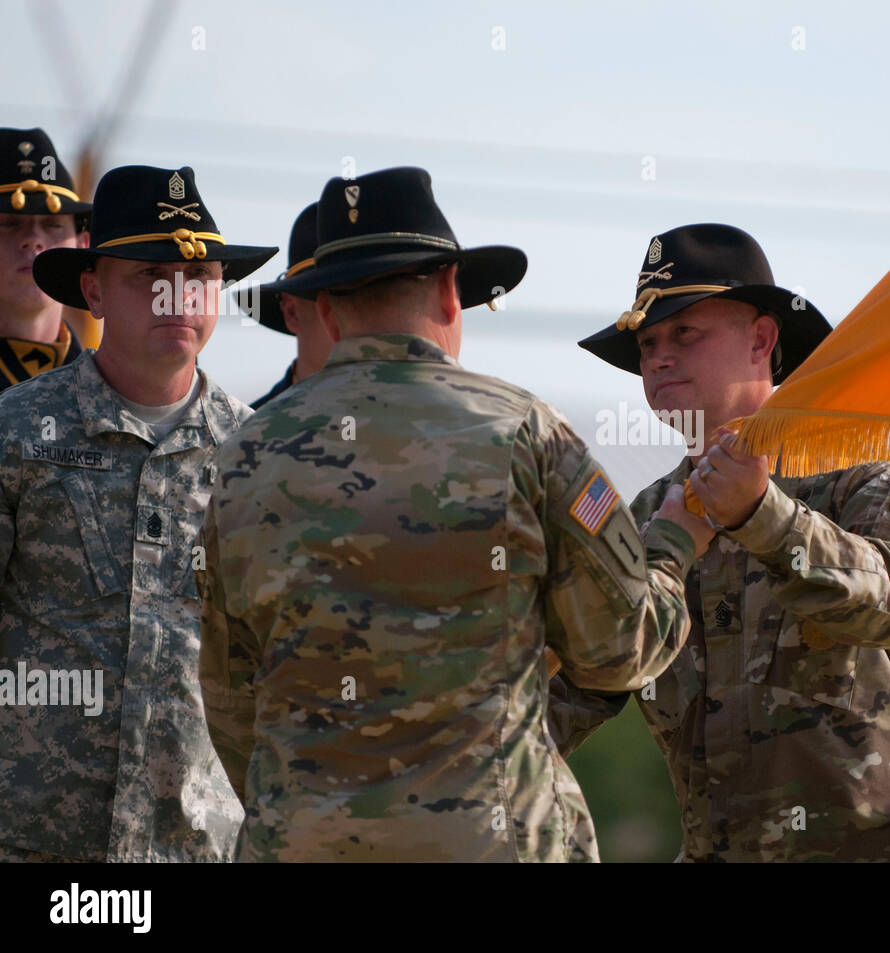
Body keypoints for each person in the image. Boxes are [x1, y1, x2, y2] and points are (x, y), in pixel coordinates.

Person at [197, 166, 713, 862]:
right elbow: (622, 647)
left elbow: (228, 693)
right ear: (448, 290)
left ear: (325, 311)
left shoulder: (241, 455)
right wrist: (678, 540)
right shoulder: (526, 432)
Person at [554, 223, 890, 861]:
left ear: (761, 339)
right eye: (647, 343)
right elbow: (591, 676)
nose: (659, 357)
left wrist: (766, 519)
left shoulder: (860, 465)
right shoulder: (650, 518)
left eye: (684, 333)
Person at [0, 164, 276, 861]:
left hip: (198, 848)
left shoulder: (262, 460)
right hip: (37, 846)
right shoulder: (19, 432)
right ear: (92, 288)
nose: (177, 296)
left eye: (199, 276)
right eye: (149, 275)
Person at [0, 128, 92, 393]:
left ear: (82, 247)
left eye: (53, 224)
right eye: (10, 223)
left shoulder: (113, 390)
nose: (33, 239)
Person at [235, 202, 333, 408]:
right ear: (292, 312)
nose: (364, 314)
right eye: (339, 298)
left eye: (379, 298)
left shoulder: (415, 419)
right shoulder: (244, 434)